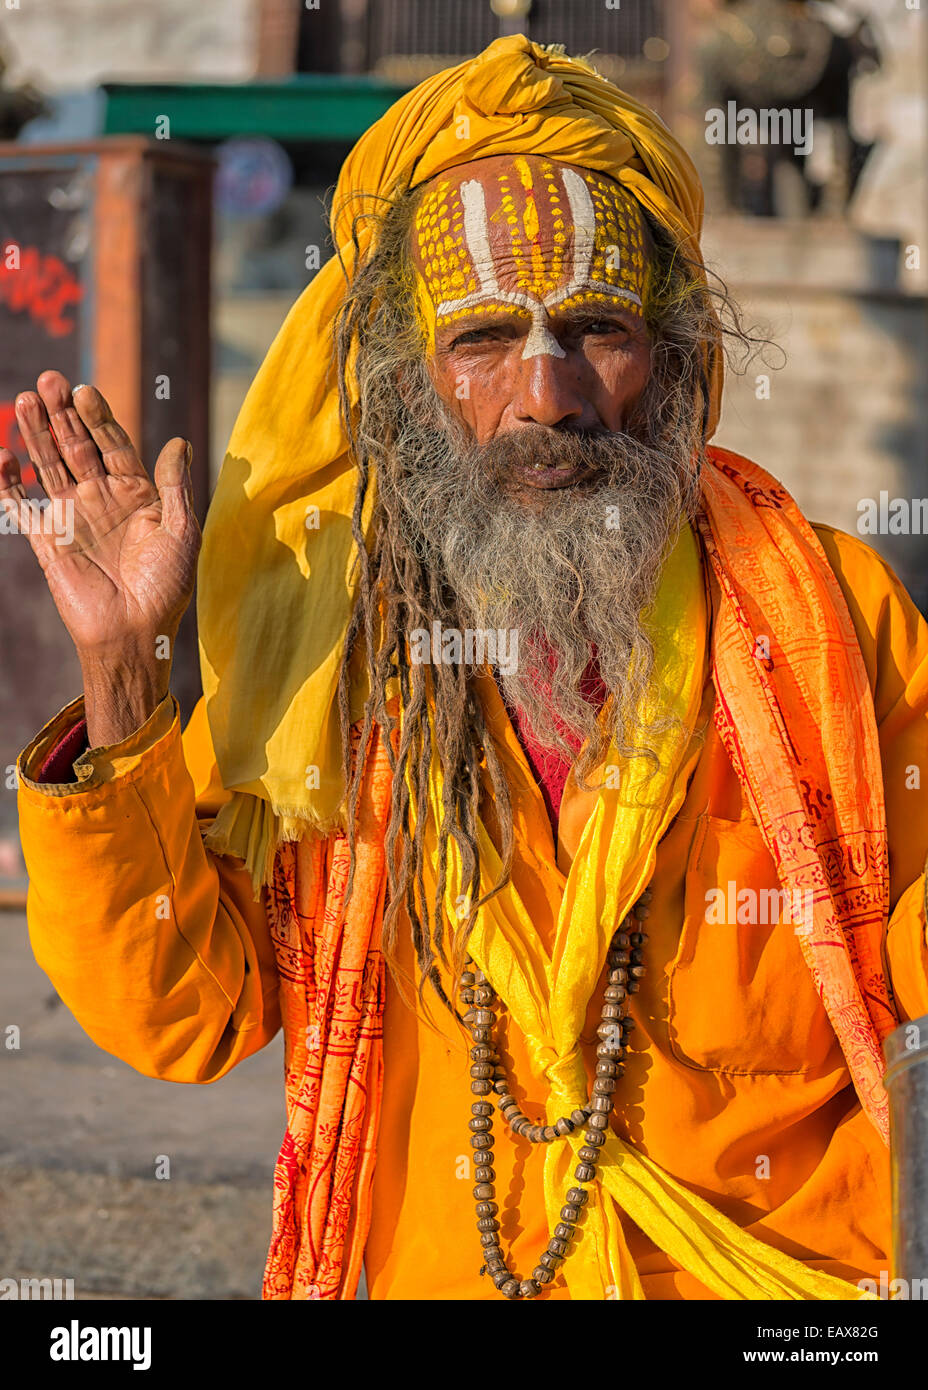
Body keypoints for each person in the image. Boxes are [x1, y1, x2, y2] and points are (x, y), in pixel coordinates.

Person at [8, 35, 928, 1302]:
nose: (544, 396)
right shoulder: (330, 663)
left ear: (673, 361)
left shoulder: (833, 622)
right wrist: (122, 669)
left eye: (595, 329)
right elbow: (183, 1012)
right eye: (485, 338)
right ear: (403, 385)